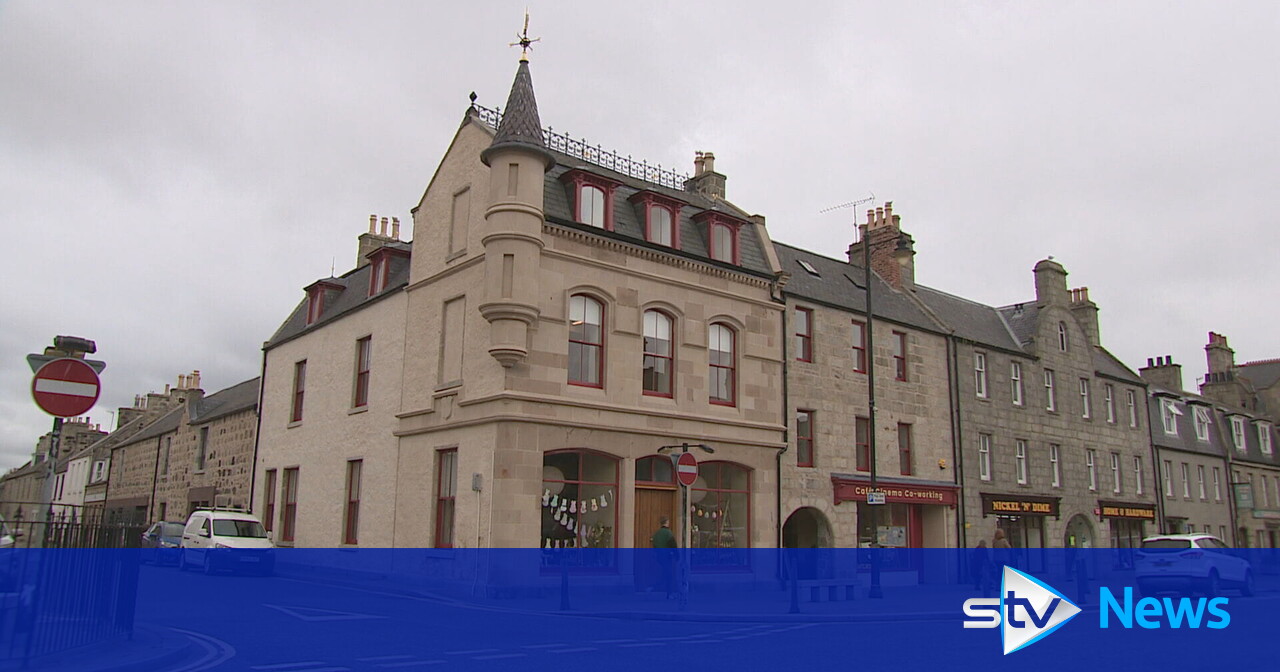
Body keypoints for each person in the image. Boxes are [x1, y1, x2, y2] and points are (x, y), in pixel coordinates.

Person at [650, 516, 677, 598]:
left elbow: (654, 544)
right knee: (669, 574)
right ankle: (669, 593)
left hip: (659, 556)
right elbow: (673, 544)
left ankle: (653, 588)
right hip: (667, 556)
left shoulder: (657, 534)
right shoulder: (668, 533)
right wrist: (677, 555)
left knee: (664, 573)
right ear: (666, 523)